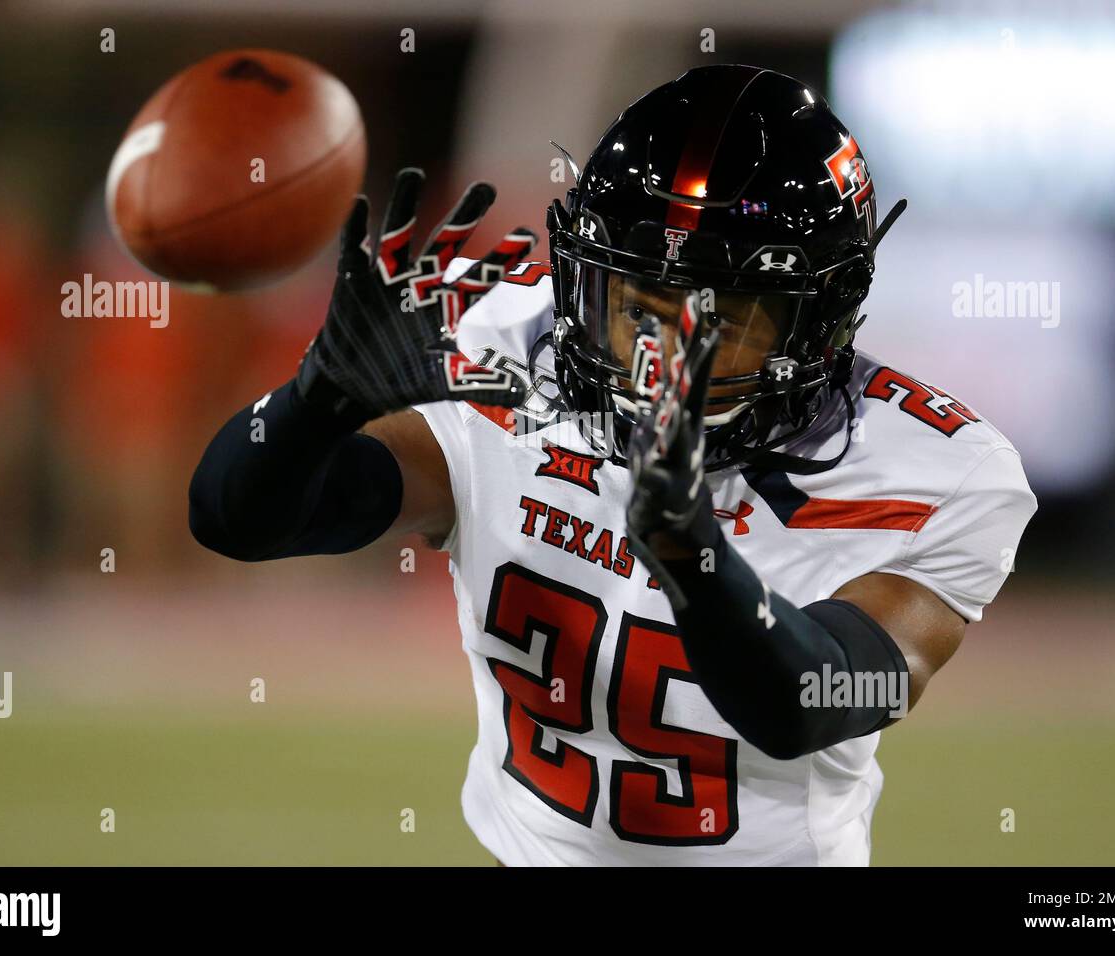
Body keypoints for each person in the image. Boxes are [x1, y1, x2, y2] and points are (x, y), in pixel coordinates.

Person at [189, 65, 1036, 865]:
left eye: (720, 317)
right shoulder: (503, 348)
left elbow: (807, 704)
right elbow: (236, 521)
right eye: (637, 304)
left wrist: (691, 556)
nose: (659, 356)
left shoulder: (940, 473)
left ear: (821, 320)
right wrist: (313, 408)